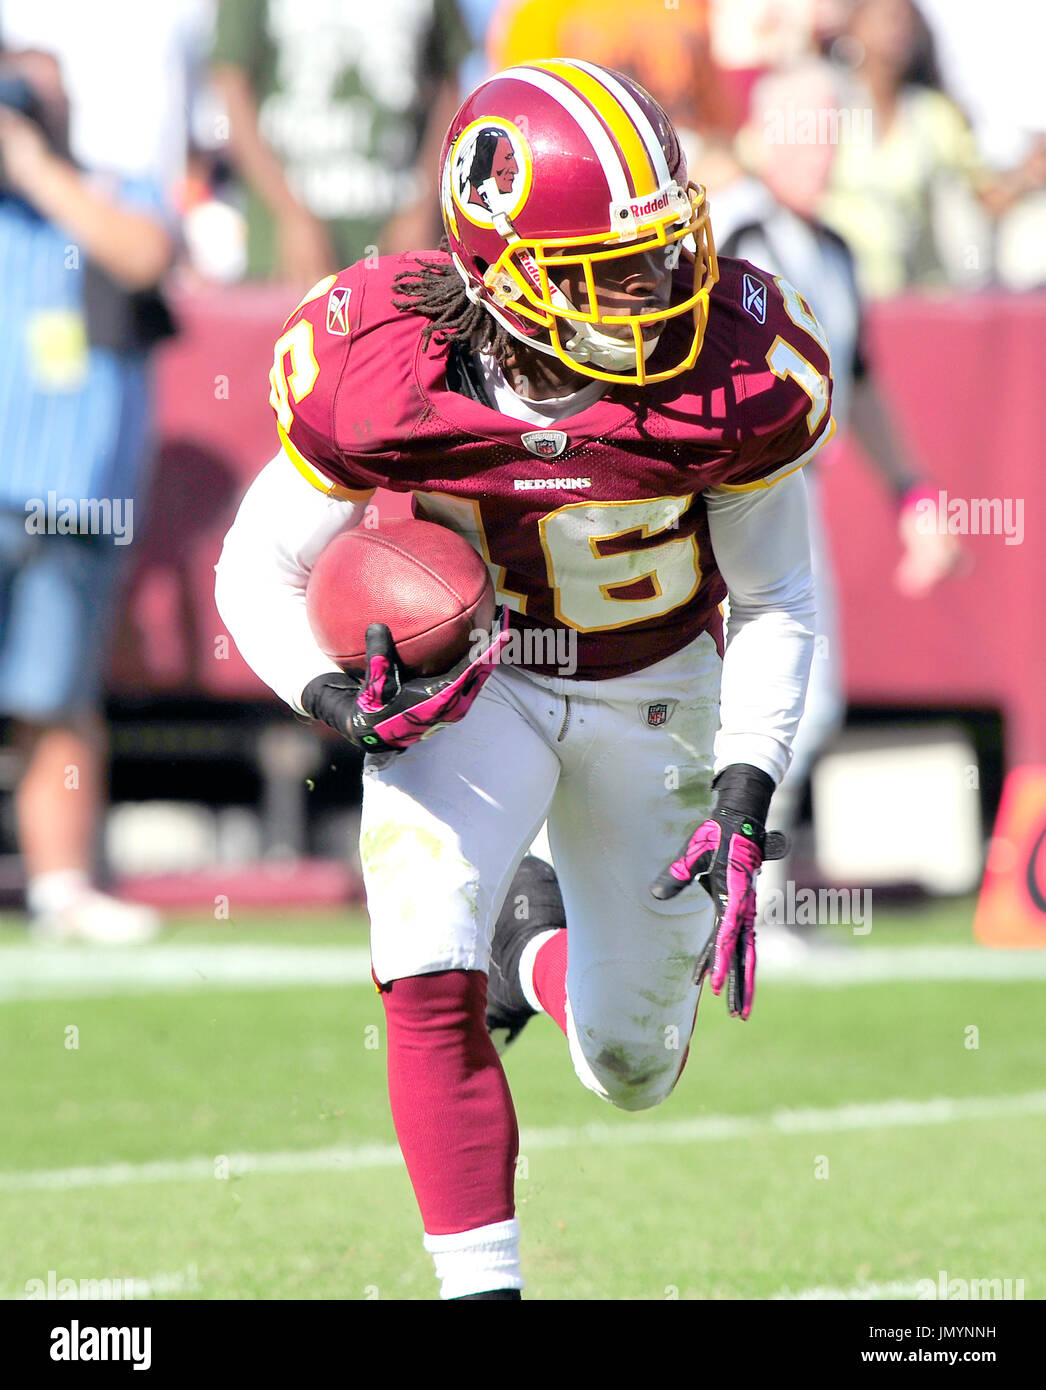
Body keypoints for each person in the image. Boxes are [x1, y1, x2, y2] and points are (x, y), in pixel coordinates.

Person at [215, 60, 832, 1300]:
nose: (661, 290)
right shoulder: (388, 361)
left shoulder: (728, 365)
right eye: (615, 268)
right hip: (475, 684)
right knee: (417, 956)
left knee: (629, 1061)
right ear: (503, 270)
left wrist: (745, 786)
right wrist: (332, 701)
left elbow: (778, 597)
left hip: (651, 685)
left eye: (665, 253)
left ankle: (531, 955)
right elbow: (257, 565)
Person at [712, 57, 961, 927]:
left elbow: (861, 385)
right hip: (735, 490)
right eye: (801, 127)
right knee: (779, 695)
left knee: (805, 698)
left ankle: (749, 898)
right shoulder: (738, 235)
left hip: (793, 491)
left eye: (830, 128)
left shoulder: (832, 247)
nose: (818, 149)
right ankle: (737, 900)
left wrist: (915, 496)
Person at [0, 48, 174, 942]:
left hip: (70, 490)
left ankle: (62, 889)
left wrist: (36, 166)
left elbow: (145, 256)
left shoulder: (113, 186)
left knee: (54, 699)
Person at [210, 0, 471, 285]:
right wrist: (292, 216)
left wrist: (425, 205)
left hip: (400, 238)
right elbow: (232, 87)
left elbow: (450, 83)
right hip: (289, 255)